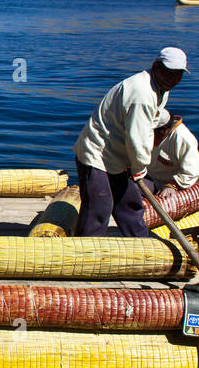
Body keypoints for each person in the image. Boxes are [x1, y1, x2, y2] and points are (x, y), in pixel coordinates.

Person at [73, 47, 187, 236]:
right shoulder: (141, 93)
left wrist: (165, 118)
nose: (172, 78)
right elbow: (138, 138)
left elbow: (152, 116)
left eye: (177, 75)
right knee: (99, 207)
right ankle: (84, 252)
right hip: (97, 154)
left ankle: (141, 246)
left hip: (120, 156)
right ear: (155, 66)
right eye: (167, 72)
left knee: (129, 205)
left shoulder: (159, 87)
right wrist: (139, 168)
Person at [146, 110, 199, 211]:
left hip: (164, 184)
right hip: (147, 175)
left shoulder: (183, 138)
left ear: (163, 129)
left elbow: (191, 172)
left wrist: (172, 185)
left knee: (132, 190)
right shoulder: (153, 133)